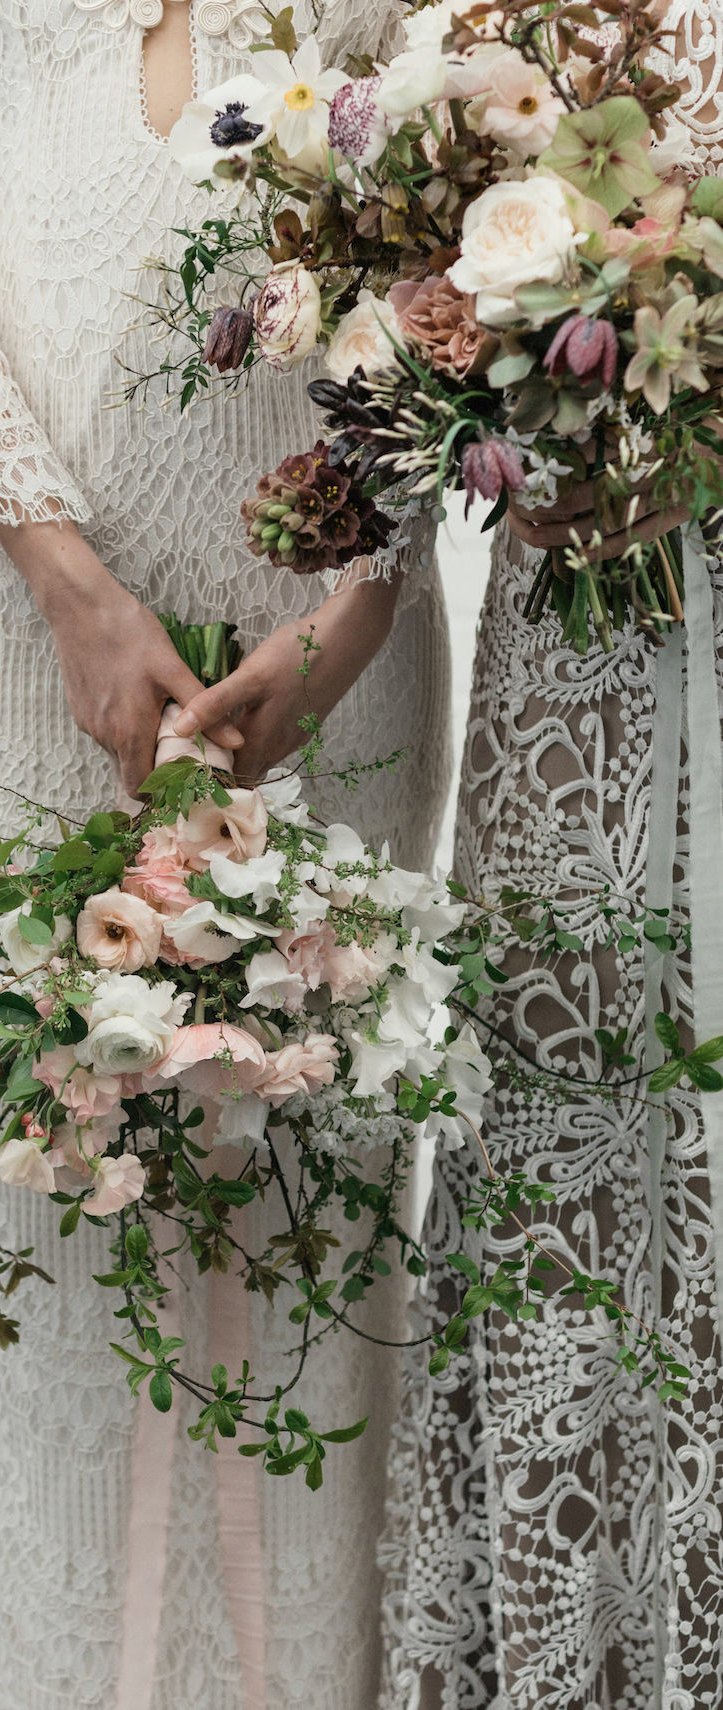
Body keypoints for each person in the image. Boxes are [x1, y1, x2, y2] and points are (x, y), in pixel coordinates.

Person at [0, 1, 449, 1706]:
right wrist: (66, 579)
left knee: (310, 1176)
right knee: (23, 1171)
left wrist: (364, 602)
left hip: (327, 655)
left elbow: (465, 261)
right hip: (16, 641)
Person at [377, 9, 723, 1703]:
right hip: (582, 637)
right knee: (570, 1073)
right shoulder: (533, 32)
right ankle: (565, 1642)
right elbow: (418, 325)